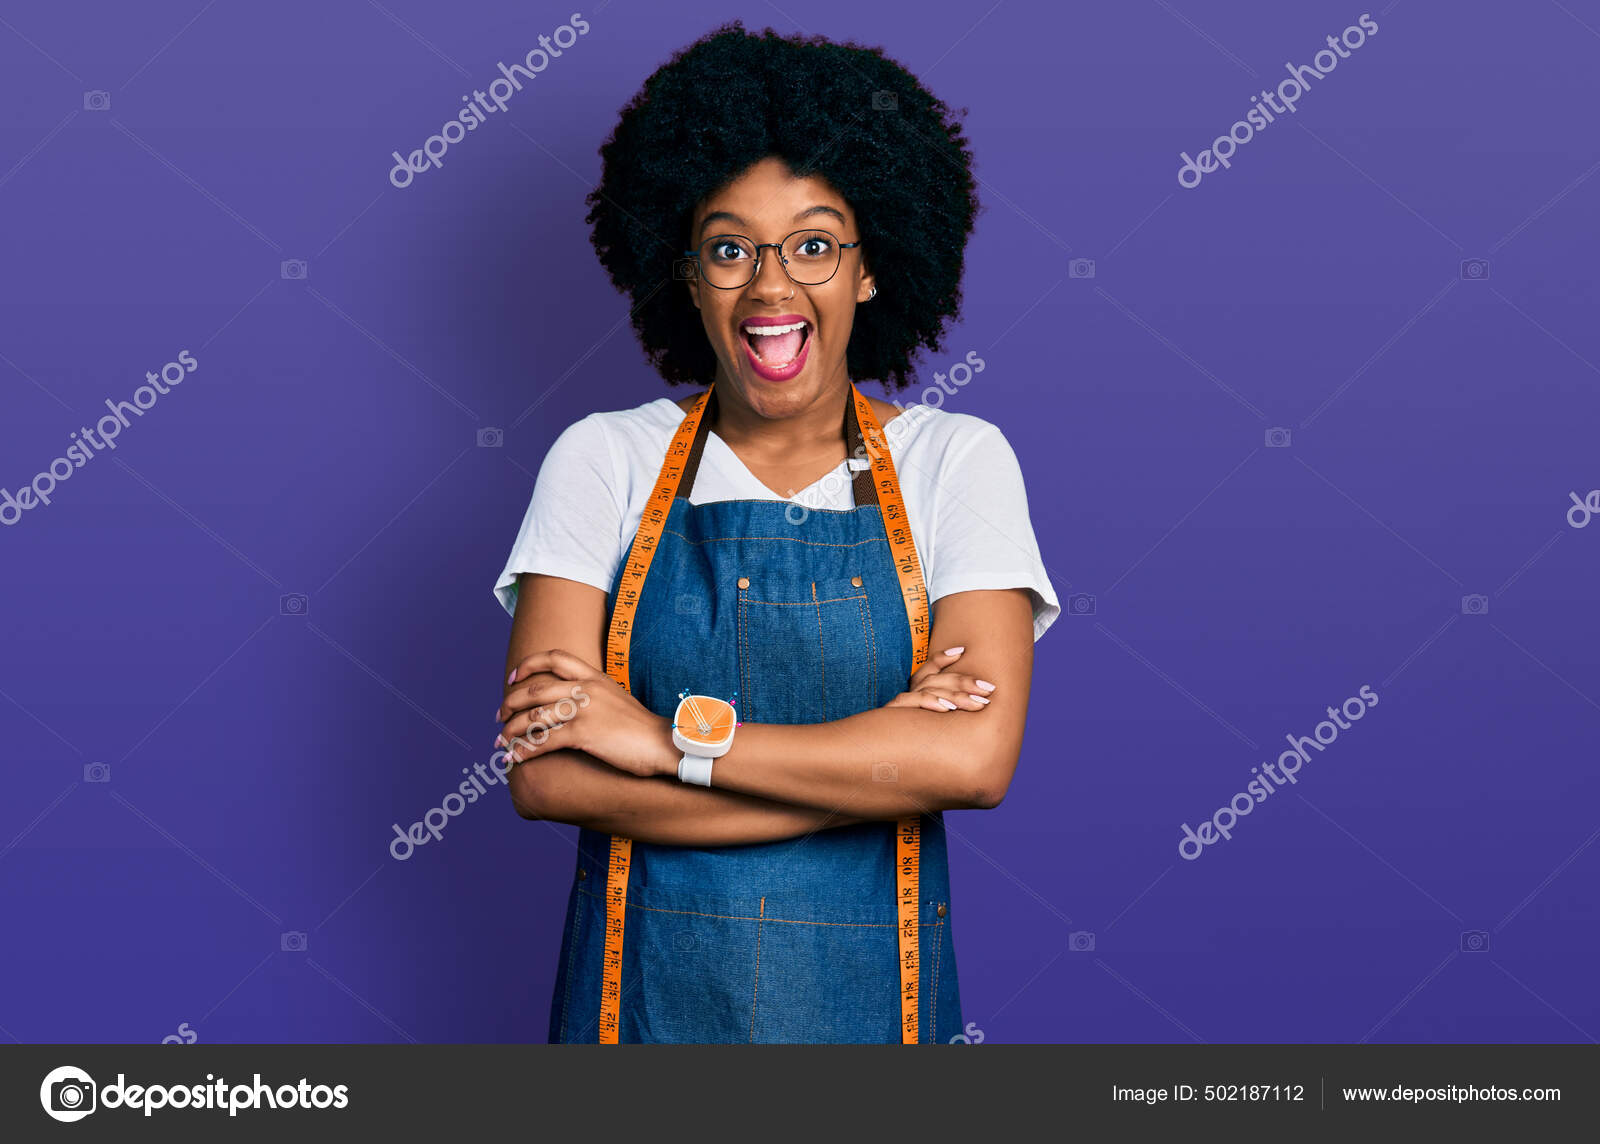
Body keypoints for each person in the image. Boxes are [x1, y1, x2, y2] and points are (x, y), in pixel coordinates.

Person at [492, 22, 1059, 1043]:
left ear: (870, 269)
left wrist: (661, 742)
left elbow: (973, 762)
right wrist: (879, 771)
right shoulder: (603, 458)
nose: (769, 286)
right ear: (686, 273)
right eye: (728, 249)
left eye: (813, 244)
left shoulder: (957, 462)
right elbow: (546, 772)